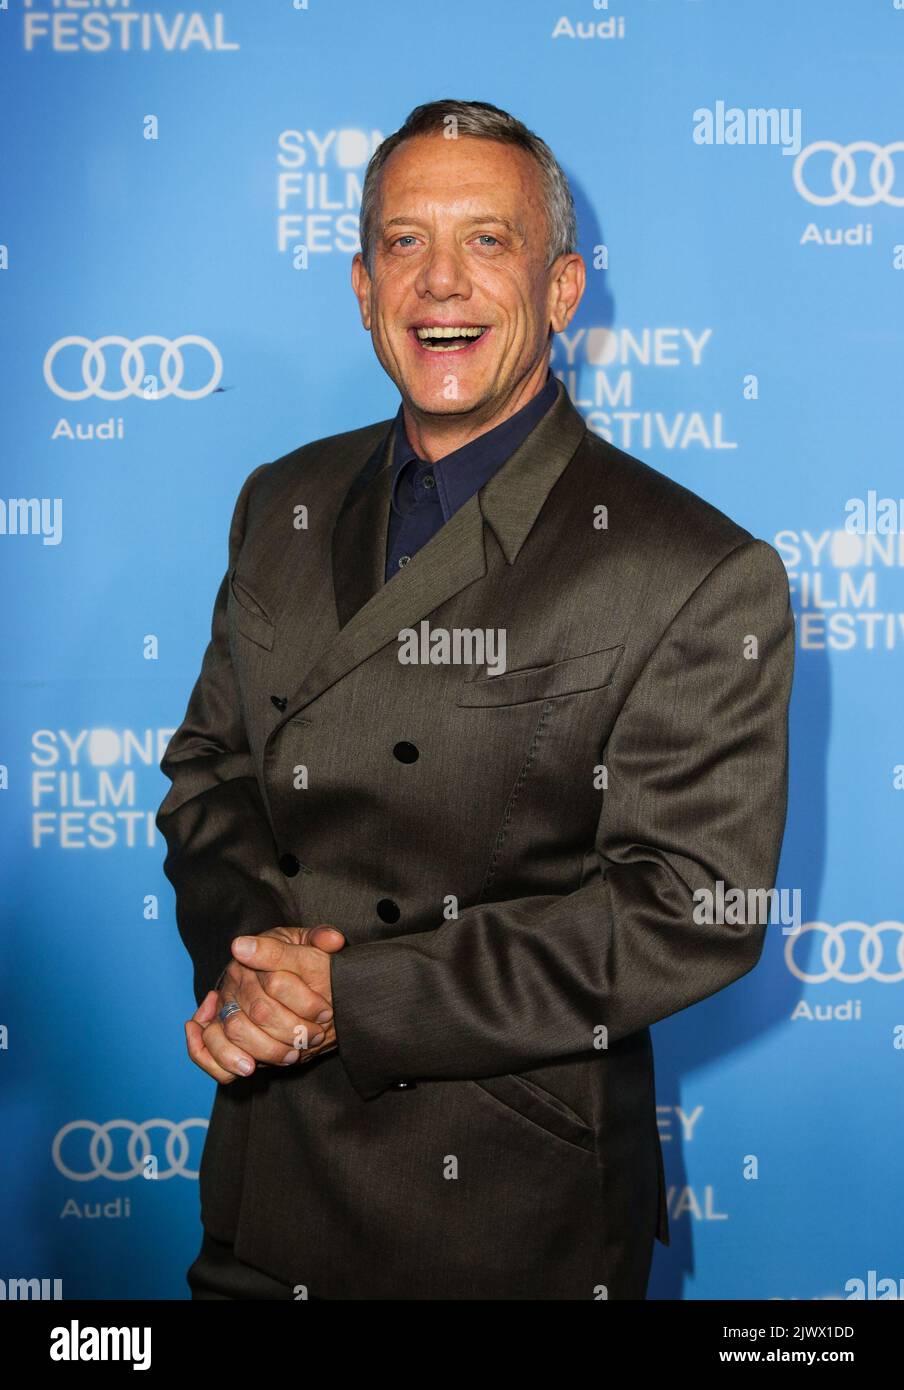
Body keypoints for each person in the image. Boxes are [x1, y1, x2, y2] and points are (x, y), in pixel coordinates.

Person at [157, 98, 794, 1301]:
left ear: (560, 290)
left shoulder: (690, 567)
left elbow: (688, 907)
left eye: (486, 241)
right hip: (266, 1167)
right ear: (360, 283)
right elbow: (211, 773)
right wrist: (255, 965)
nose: (439, 281)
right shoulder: (278, 500)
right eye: (404, 241)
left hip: (508, 1215)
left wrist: (355, 1000)